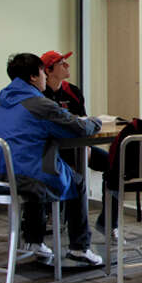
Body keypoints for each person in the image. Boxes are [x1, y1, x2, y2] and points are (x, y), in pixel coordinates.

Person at [0, 53, 103, 266]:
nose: (44, 76)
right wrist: (96, 121)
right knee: (76, 181)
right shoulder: (39, 104)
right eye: (42, 71)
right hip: (24, 176)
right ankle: (79, 248)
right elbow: (80, 128)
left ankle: (34, 241)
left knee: (41, 169)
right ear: (34, 76)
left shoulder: (4, 98)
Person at [41, 49, 115, 238]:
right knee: (71, 174)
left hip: (78, 147)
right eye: (61, 63)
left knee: (115, 166)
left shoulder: (73, 91)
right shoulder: (39, 95)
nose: (67, 65)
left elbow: (83, 122)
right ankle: (54, 218)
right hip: (49, 151)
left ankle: (108, 222)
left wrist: (86, 145)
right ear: (48, 71)